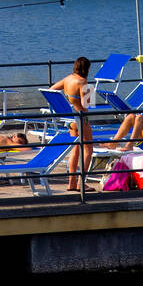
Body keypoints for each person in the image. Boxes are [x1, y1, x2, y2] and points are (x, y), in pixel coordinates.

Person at [51, 56, 95, 191]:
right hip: (81, 118)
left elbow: (52, 89)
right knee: (88, 149)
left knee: (76, 148)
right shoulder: (83, 81)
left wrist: (67, 102)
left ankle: (71, 182)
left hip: (69, 119)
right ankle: (82, 182)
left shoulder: (68, 78)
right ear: (86, 68)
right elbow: (87, 105)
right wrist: (90, 91)